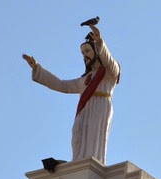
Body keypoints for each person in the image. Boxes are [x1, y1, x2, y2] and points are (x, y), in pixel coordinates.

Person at [22, 24, 120, 165]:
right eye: (82, 52)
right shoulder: (83, 80)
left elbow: (110, 61)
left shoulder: (109, 73)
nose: (85, 55)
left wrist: (99, 42)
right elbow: (62, 85)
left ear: (97, 51)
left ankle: (92, 165)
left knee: (94, 136)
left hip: (100, 105)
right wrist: (37, 69)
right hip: (84, 107)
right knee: (77, 133)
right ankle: (78, 162)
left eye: (87, 50)